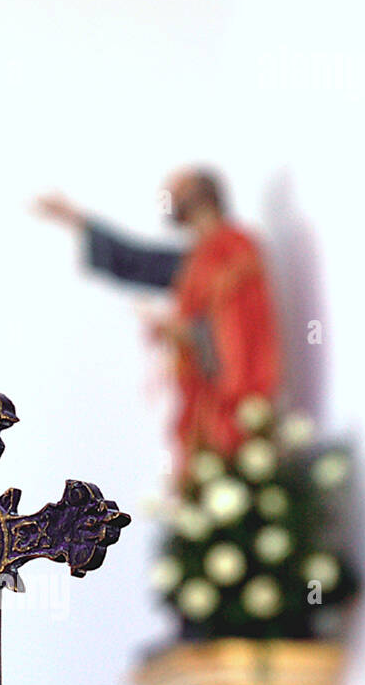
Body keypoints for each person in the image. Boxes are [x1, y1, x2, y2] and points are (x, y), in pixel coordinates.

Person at [35, 170, 282, 465]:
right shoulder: (197, 260)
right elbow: (138, 261)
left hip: (231, 405)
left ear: (200, 199)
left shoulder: (231, 250)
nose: (169, 203)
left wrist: (186, 332)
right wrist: (76, 220)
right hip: (202, 401)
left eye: (176, 193)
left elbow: (240, 334)